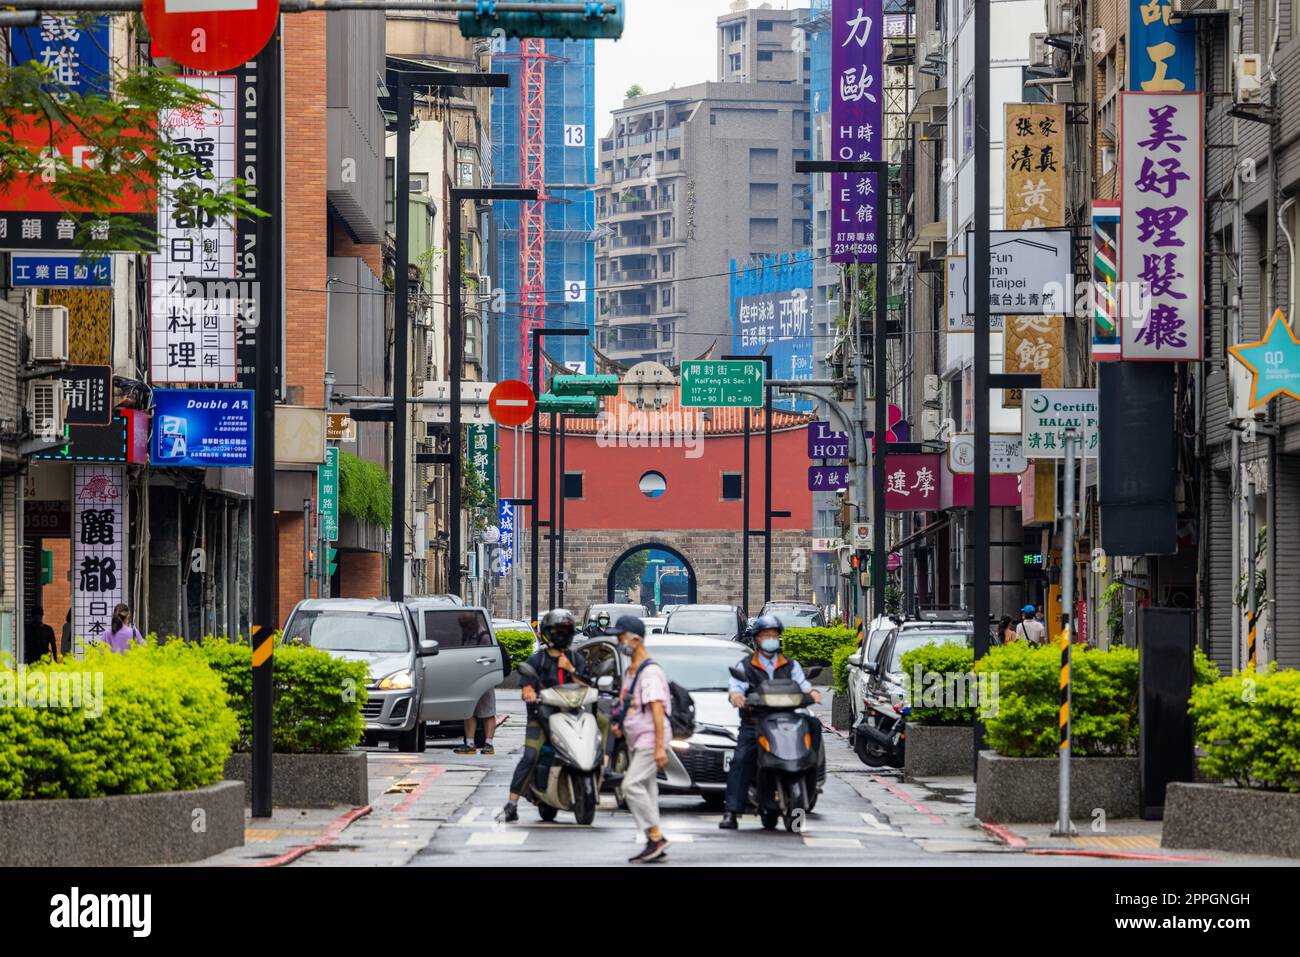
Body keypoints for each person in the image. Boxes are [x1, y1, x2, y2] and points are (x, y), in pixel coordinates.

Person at [719, 614, 822, 830]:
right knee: (742, 759)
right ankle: (732, 811)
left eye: (774, 635)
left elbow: (803, 684)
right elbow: (736, 687)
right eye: (766, 635)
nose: (770, 638)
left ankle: (812, 779)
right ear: (757, 638)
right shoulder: (746, 665)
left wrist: (811, 692)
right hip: (756, 721)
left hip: (788, 719)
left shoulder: (790, 664)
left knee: (813, 726)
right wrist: (737, 696)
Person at [497, 608, 591, 823]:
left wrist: (571, 671)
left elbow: (587, 686)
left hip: (572, 717)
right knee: (531, 755)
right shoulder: (536, 660)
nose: (560, 635)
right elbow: (526, 687)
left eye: (564, 631)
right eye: (556, 630)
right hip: (541, 718)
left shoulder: (575, 658)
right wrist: (529, 693)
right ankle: (511, 803)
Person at [610, 615, 670, 863]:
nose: (618, 641)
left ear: (635, 639)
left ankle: (656, 836)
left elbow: (657, 710)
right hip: (637, 738)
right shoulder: (633, 670)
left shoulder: (650, 672)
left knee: (630, 786)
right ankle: (652, 842)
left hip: (650, 739)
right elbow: (632, 705)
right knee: (647, 790)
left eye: (621, 637)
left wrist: (659, 749)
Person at [454, 613, 500, 756]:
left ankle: (488, 743)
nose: (464, 626)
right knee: (469, 712)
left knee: (488, 712)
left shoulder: (484, 636)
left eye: (466, 623)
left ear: (474, 621)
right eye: (462, 623)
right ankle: (470, 743)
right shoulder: (467, 635)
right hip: (469, 680)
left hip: (484, 679)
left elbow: (489, 658)